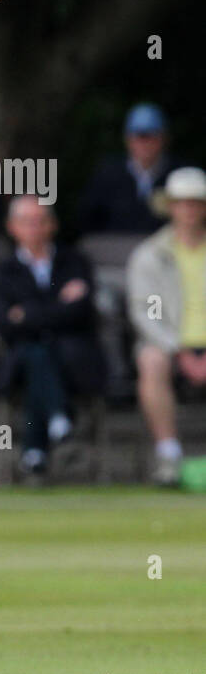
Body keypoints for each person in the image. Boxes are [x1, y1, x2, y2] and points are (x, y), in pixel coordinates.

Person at [0, 197, 104, 477]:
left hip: (73, 359)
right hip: (21, 361)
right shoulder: (2, 272)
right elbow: (3, 323)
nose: (34, 229)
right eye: (27, 222)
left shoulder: (74, 262)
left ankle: (35, 449)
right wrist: (58, 306)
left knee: (40, 355)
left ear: (53, 225)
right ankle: (58, 418)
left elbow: (82, 313)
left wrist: (27, 314)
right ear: (12, 227)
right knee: (36, 355)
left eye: (40, 221)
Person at [127, 166, 206, 486]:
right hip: (171, 345)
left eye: (196, 202)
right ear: (170, 207)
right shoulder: (150, 255)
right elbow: (146, 312)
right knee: (150, 359)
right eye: (182, 202)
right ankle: (168, 454)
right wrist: (179, 350)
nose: (189, 210)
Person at [78, 104, 186, 235]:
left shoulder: (181, 173)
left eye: (152, 136)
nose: (145, 143)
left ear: (164, 138)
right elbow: (88, 219)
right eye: (140, 136)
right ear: (127, 139)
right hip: (114, 249)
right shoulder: (108, 173)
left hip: (166, 249)